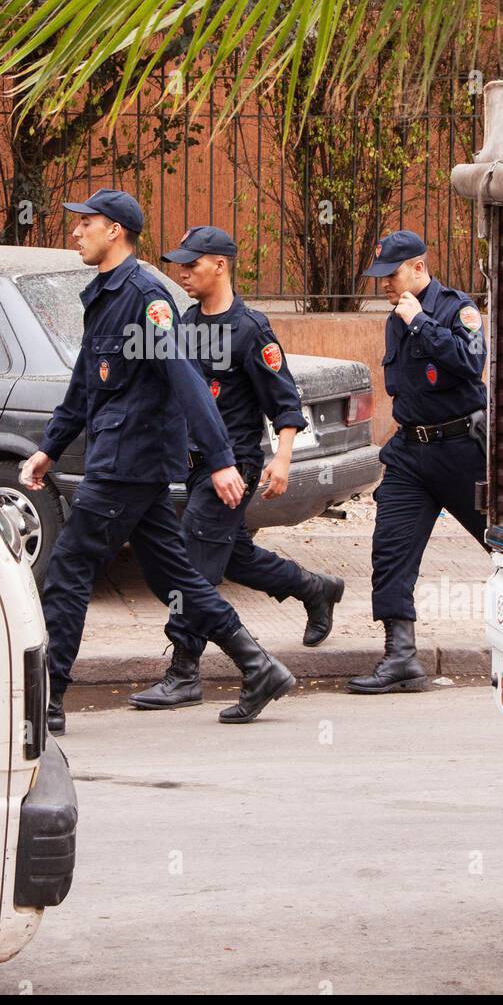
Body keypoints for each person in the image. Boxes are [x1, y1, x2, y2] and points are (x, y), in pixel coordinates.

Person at [19, 190, 296, 734]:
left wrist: (219, 459)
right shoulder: (106, 293)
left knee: (70, 567)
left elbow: (184, 378)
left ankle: (47, 698)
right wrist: (51, 446)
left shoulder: (147, 297)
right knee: (178, 575)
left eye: (86, 224)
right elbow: (84, 382)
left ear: (116, 231)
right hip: (124, 456)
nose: (76, 233)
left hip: (129, 459)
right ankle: (258, 665)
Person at [129, 226, 345, 711]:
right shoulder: (184, 324)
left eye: (192, 264)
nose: (182, 273)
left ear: (220, 265)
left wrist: (284, 459)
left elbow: (286, 404)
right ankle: (316, 589)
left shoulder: (251, 329)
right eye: (179, 265)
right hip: (192, 466)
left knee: (190, 567)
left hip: (234, 467)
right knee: (230, 558)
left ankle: (185, 670)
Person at [348, 230, 489, 696]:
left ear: (419, 268)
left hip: (461, 450)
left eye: (391, 275)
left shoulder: (455, 307)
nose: (384, 285)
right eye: (381, 277)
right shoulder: (397, 315)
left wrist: (421, 322)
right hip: (410, 453)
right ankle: (401, 657)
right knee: (390, 549)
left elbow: (472, 363)